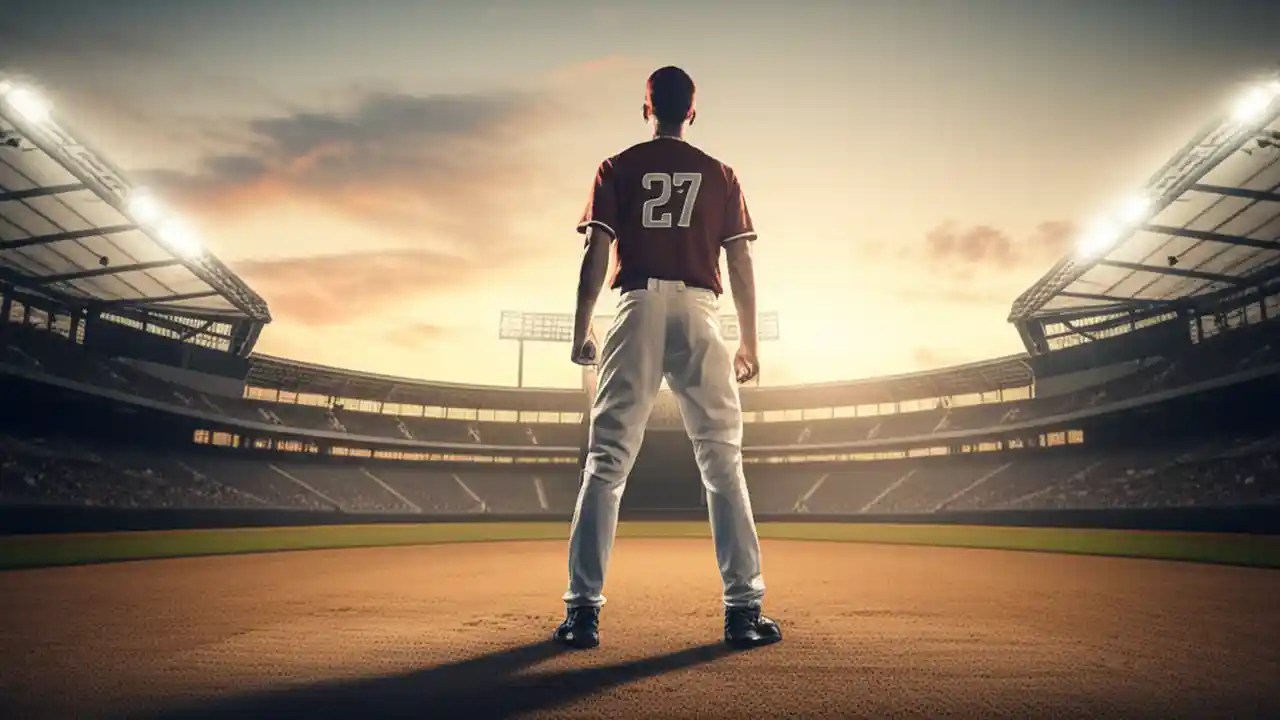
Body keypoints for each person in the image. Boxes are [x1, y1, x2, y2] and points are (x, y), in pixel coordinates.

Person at [554, 66, 781, 650]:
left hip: (635, 306)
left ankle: (582, 615)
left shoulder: (617, 166)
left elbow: (596, 253)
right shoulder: (721, 174)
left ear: (646, 109)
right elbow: (742, 266)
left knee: (605, 462)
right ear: (693, 111)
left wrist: (583, 327)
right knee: (722, 461)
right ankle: (743, 610)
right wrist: (749, 341)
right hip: (701, 310)